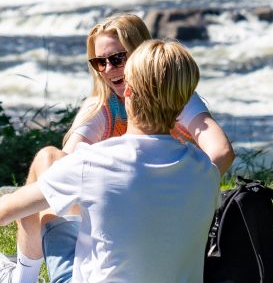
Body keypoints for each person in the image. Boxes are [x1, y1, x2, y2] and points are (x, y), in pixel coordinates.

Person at [0, 40, 221, 283]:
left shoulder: (95, 160)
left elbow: (0, 214)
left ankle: (19, 282)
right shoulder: (204, 169)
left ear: (130, 93)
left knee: (46, 202)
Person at [64, 14, 235, 175]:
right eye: (100, 62)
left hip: (177, 194)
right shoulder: (104, 106)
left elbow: (221, 151)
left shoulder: (174, 95)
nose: (108, 69)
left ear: (142, 54)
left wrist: (188, 193)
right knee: (49, 157)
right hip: (127, 198)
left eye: (117, 58)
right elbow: (65, 162)